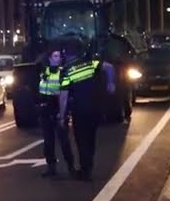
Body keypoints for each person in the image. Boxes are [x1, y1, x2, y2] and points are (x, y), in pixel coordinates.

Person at [57, 42, 116, 181]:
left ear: (67, 54)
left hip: (79, 110)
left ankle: (85, 170)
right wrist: (111, 82)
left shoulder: (66, 71)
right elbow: (109, 67)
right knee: (90, 137)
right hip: (95, 107)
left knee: (81, 139)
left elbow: (64, 96)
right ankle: (89, 163)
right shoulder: (90, 63)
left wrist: (62, 115)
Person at [37, 47, 75, 178]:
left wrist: (62, 114)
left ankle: (71, 167)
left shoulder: (63, 73)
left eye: (59, 56)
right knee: (48, 142)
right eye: (55, 56)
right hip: (45, 110)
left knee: (64, 141)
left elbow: (64, 96)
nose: (57, 58)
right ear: (49, 58)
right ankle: (51, 167)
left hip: (57, 110)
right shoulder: (44, 71)